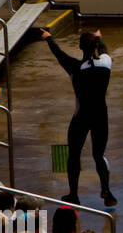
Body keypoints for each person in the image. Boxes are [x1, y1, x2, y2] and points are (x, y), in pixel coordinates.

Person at [40, 27, 115, 207]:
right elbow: (104, 51)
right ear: (96, 46)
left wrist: (49, 38)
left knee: (74, 155)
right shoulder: (106, 62)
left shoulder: (75, 68)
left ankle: (73, 194)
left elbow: (59, 54)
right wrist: (99, 38)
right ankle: (106, 189)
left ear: (80, 47)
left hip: (81, 116)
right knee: (99, 155)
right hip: (100, 116)